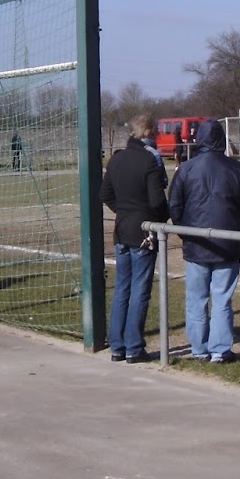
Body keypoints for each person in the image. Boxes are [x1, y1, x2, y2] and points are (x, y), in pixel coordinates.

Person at [167, 119, 240, 364]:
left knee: (196, 299)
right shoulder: (237, 169)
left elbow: (174, 205)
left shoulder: (186, 169)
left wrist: (184, 232)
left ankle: (199, 348)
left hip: (197, 245)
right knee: (222, 299)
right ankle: (219, 350)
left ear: (199, 140)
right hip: (228, 244)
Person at [99, 114, 169, 364]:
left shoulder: (116, 159)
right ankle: (134, 347)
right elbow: (157, 200)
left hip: (122, 229)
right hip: (142, 231)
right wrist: (158, 218)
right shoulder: (149, 160)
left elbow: (105, 193)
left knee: (122, 289)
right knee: (139, 290)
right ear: (149, 133)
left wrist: (124, 211)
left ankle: (117, 346)